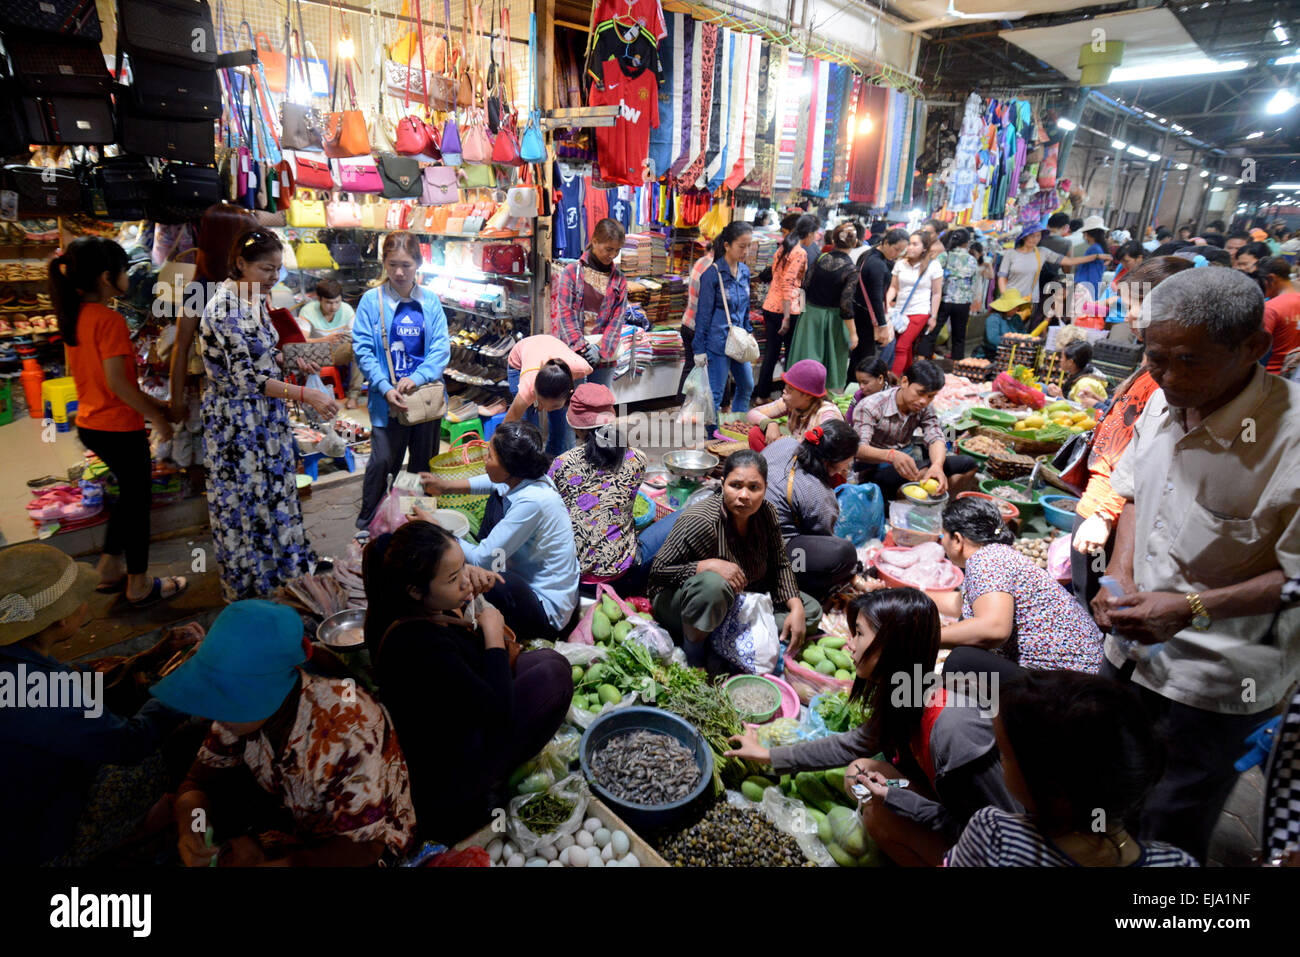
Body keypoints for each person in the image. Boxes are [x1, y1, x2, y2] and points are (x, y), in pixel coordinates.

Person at [1091, 267, 1300, 864]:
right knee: (1109, 789)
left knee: (1171, 819)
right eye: (1157, 358)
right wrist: (1122, 575)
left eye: (1191, 361)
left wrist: (1191, 607)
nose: (1170, 377)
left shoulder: (1290, 441)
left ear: (1253, 349)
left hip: (1214, 679)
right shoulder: (1163, 397)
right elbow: (1132, 491)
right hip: (1129, 655)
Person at [725, 589, 1019, 867]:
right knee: (858, 775)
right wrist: (768, 756)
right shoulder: (907, 691)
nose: (848, 644)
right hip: (947, 803)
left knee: (879, 818)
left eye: (860, 634)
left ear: (892, 646)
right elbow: (852, 744)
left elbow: (993, 830)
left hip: (989, 846)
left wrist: (899, 800)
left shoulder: (955, 731)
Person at [155, 600, 416, 866]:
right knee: (183, 744)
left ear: (268, 687)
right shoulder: (241, 712)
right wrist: (193, 828)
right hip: (301, 825)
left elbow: (365, 849)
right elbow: (198, 782)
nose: (216, 711)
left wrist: (274, 865)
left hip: (366, 851)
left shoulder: (344, 732)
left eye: (227, 695)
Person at [362, 521, 572, 843]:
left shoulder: (390, 590)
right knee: (553, 680)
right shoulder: (419, 647)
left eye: (463, 566)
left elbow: (380, 545)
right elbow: (497, 714)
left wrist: (465, 576)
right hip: (449, 771)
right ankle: (492, 781)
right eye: (452, 577)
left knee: (545, 659)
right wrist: (492, 636)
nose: (465, 580)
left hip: (460, 703)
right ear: (416, 590)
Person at [0, 544, 187, 865]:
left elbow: (73, 680)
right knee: (155, 754)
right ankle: (114, 840)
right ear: (59, 620)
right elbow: (130, 742)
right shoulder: (40, 690)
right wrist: (184, 686)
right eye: (80, 596)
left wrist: (148, 657)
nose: (86, 602)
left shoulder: (19, 663)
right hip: (31, 848)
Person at [199, 229, 337, 600]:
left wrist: (291, 359)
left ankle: (286, 569)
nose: (273, 277)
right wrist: (305, 394)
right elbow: (247, 379)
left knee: (276, 490)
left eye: (277, 269)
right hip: (238, 424)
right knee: (247, 500)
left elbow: (263, 352)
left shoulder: (254, 298)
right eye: (265, 269)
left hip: (264, 417)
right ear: (240, 264)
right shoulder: (223, 308)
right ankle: (252, 588)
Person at [51, 237, 187, 608]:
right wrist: (157, 416)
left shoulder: (76, 314)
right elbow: (119, 383)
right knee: (137, 503)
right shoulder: (108, 319)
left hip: (93, 422)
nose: (130, 276)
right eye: (126, 270)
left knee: (129, 498)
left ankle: (109, 568)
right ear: (108, 277)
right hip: (116, 427)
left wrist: (155, 403)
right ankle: (139, 585)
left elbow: (107, 382)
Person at [946, 671, 1197, 867]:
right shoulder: (1178, 861)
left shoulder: (994, 834)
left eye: (1006, 756)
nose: (1001, 764)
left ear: (1053, 790)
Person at [1069, 257, 1192, 607]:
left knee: (1096, 603)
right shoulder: (1149, 360)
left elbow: (1145, 456)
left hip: (1110, 510)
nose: (1125, 316)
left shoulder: (1169, 376)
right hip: (1099, 499)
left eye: (1131, 305)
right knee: (1087, 594)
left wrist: (1105, 515)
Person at [648, 450, 818, 667]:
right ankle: (696, 651)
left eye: (754, 488)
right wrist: (704, 566)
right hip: (686, 601)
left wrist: (795, 606)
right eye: (735, 485)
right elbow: (658, 572)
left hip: (742, 596)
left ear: (765, 488)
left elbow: (780, 563)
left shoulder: (767, 513)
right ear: (722, 483)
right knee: (712, 585)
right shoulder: (700, 520)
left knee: (809, 610)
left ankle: (723, 635)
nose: (744, 495)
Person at [420, 421, 579, 640]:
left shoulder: (533, 501)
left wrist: (438, 529)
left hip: (546, 608)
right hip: (524, 572)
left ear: (511, 468)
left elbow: (481, 560)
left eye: (490, 457)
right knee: (497, 498)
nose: (485, 462)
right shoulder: (524, 476)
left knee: (493, 578)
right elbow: (494, 482)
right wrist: (444, 486)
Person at [929, 498, 1103, 678]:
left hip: (1068, 682)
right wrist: (911, 595)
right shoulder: (997, 554)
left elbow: (994, 628)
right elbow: (960, 603)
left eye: (943, 536)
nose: (942, 543)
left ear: (957, 539)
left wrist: (925, 637)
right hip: (1085, 670)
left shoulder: (986, 560)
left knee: (961, 659)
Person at [352, 232, 450, 530]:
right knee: (383, 462)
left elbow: (441, 349)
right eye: (392, 264)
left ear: (418, 264)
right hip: (387, 402)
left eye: (406, 265)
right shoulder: (372, 300)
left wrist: (417, 377)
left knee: (423, 465)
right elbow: (363, 349)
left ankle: (413, 522)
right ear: (383, 262)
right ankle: (370, 522)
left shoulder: (430, 301)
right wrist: (384, 386)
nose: (398, 272)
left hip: (424, 401)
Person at [547, 384, 648, 584]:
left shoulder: (561, 464)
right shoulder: (638, 459)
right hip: (622, 568)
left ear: (575, 425)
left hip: (576, 573)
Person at [168, 203, 257, 422]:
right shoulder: (201, 288)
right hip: (224, 396)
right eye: (245, 237)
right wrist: (176, 402)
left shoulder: (248, 281)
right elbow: (182, 348)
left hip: (259, 387)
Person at [851, 359, 976, 500]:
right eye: (920, 393)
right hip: (874, 469)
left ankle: (943, 506)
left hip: (909, 463)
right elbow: (859, 449)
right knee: (918, 475)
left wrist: (937, 466)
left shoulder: (923, 406)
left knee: (968, 464)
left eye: (930, 396)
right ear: (904, 382)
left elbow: (935, 436)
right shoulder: (871, 406)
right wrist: (891, 455)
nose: (924, 401)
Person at [761, 421, 860, 597]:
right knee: (844, 554)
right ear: (830, 462)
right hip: (768, 555)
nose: (849, 465)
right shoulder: (817, 493)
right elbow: (822, 537)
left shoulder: (785, 443)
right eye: (849, 460)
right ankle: (795, 587)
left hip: (743, 528)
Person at [550, 217, 629, 388]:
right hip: (573, 352)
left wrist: (600, 352)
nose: (613, 255)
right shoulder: (572, 272)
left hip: (604, 355)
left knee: (599, 404)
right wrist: (583, 348)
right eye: (609, 249)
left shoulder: (619, 280)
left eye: (617, 250)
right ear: (594, 241)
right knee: (573, 405)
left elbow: (617, 320)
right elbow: (565, 315)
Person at [787, 222, 861, 392]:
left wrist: (803, 314)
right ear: (855, 243)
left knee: (807, 360)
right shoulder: (851, 270)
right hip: (833, 321)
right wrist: (853, 333)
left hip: (810, 317)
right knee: (828, 365)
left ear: (833, 240)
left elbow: (803, 287)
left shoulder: (820, 258)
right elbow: (846, 304)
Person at [694, 221, 756, 416]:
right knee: (716, 393)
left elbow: (746, 307)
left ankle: (736, 424)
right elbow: (703, 315)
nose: (746, 251)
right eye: (742, 246)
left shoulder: (745, 272)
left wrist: (749, 331)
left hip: (739, 340)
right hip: (718, 343)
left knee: (747, 385)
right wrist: (699, 349)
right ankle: (713, 435)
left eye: (749, 246)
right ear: (727, 245)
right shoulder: (712, 275)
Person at [756, 213, 819, 400]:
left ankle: (762, 395)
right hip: (786, 310)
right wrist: (786, 317)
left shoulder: (784, 247)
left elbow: (779, 278)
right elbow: (788, 283)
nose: (815, 238)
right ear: (808, 233)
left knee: (771, 353)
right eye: (815, 234)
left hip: (770, 305)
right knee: (791, 354)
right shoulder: (799, 252)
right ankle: (788, 396)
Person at [997, 223, 1102, 327]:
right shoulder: (1010, 254)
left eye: (1038, 236)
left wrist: (1095, 256)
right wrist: (1006, 296)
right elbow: (1002, 277)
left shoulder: (1043, 252)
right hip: (1010, 298)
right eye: (1032, 236)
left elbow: (1069, 261)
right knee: (1003, 328)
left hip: (1028, 301)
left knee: (1019, 332)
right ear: (1024, 237)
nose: (1035, 239)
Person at [504, 334, 592, 456]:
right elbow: (508, 423)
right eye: (542, 404)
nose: (545, 410)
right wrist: (494, 448)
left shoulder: (580, 368)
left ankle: (554, 467)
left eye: (554, 406)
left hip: (553, 349)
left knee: (561, 431)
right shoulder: (528, 386)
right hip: (519, 360)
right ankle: (533, 465)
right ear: (536, 394)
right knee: (526, 432)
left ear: (568, 392)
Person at [746, 358, 844, 452]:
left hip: (814, 462)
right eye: (785, 387)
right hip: (795, 455)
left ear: (807, 396)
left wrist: (788, 442)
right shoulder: (791, 403)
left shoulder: (828, 414)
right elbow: (752, 413)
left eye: (790, 389)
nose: (784, 392)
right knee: (756, 433)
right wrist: (769, 423)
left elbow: (824, 448)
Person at [884, 231, 943, 376]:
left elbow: (936, 293)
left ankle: (893, 383)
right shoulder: (900, 264)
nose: (910, 247)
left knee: (901, 347)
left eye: (915, 244)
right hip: (899, 313)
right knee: (906, 347)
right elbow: (894, 287)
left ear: (924, 248)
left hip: (919, 312)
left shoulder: (933, 266)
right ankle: (910, 376)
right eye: (909, 243)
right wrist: (885, 303)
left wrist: (933, 316)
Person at [297, 277, 362, 409]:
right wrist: (325, 340)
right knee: (302, 351)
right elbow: (302, 341)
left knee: (360, 349)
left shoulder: (347, 310)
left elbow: (356, 336)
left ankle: (354, 395)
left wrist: (348, 338)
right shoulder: (308, 311)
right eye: (328, 303)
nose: (334, 307)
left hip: (338, 352)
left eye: (337, 302)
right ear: (319, 299)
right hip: (316, 354)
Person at [849, 227, 906, 375]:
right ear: (886, 242)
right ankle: (857, 391)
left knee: (857, 358)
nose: (897, 254)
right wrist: (882, 324)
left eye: (901, 251)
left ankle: (852, 389)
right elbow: (876, 297)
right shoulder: (878, 265)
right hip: (867, 317)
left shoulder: (868, 254)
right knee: (865, 360)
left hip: (859, 311)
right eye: (896, 249)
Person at [919, 227, 978, 360]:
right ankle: (956, 367)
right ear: (967, 242)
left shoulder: (945, 256)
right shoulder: (972, 260)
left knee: (932, 331)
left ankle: (921, 359)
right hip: (963, 303)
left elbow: (933, 275)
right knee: (959, 336)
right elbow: (974, 284)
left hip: (944, 300)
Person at [677, 242, 714, 396]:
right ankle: (715, 408)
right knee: (714, 369)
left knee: (690, 366)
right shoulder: (714, 268)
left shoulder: (701, 261)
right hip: (702, 326)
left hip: (688, 321)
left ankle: (683, 405)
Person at [1257, 257, 1300, 375]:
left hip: (1272, 375)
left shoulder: (1271, 308)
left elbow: (1258, 348)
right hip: (1295, 374)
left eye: (1259, 282)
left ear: (1271, 278)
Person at [978, 286, 1034, 356]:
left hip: (1011, 354)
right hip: (992, 354)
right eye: (1014, 307)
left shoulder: (1016, 318)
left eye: (1017, 306)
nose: (1017, 309)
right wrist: (1014, 343)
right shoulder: (993, 319)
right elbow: (992, 339)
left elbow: (1022, 334)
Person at [1071, 217, 1110, 310]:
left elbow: (1093, 274)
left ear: (1086, 234)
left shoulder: (1094, 249)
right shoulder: (1098, 248)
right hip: (1088, 288)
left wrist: (1092, 295)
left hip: (1085, 289)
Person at [845, 356, 890, 421]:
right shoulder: (858, 395)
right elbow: (849, 419)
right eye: (859, 383)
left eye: (865, 382)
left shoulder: (892, 398)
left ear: (880, 379)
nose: (861, 387)